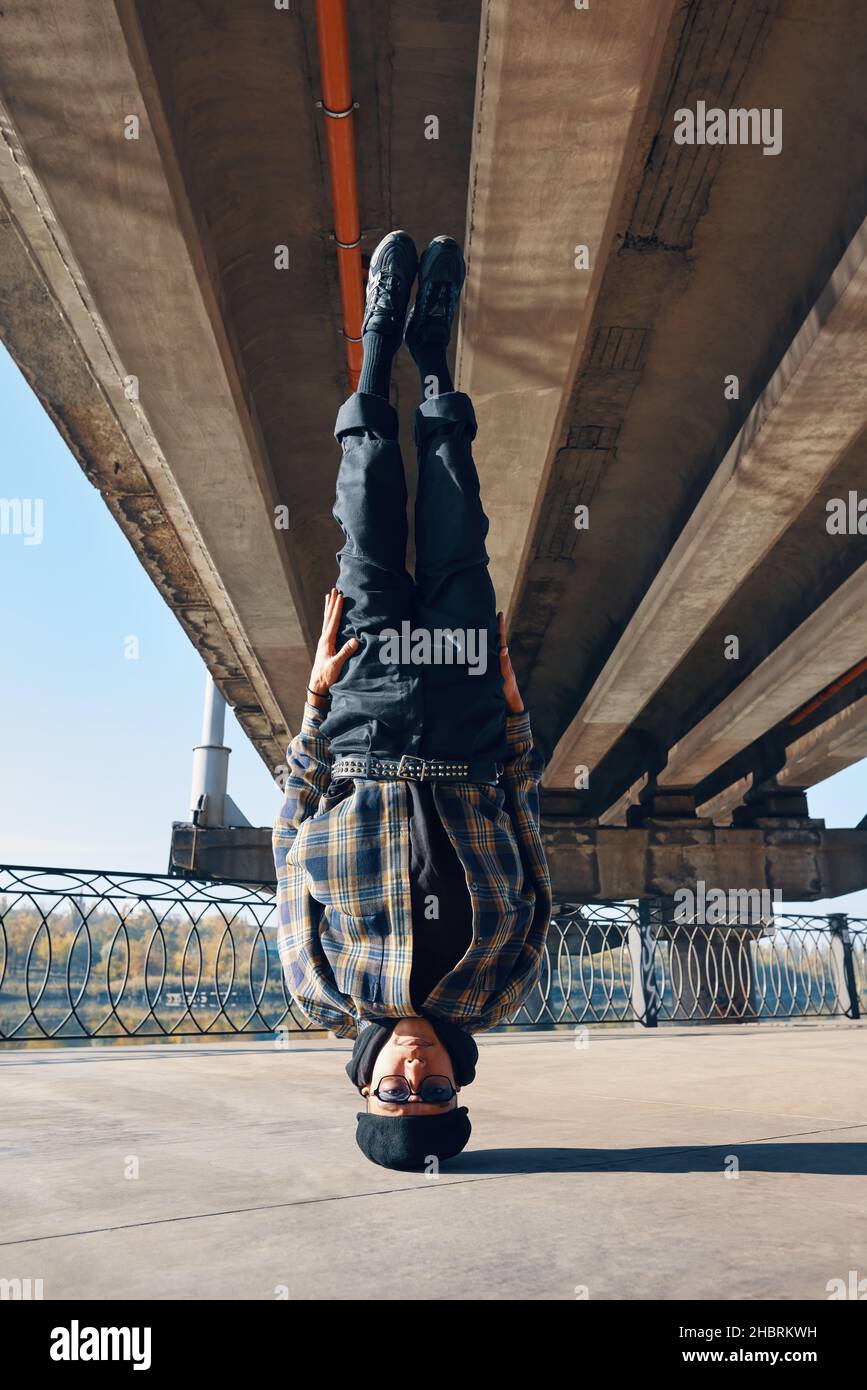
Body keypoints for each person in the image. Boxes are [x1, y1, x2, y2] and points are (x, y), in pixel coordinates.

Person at [273, 231, 552, 1172]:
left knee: (364, 515)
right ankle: (432, 359)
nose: (417, 1076)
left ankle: (378, 342)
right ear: (457, 1085)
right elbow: (524, 826)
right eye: (437, 1096)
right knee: (455, 522)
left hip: (364, 723)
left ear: (365, 1084)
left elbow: (291, 832)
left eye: (397, 1094)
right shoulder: (499, 989)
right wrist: (511, 713)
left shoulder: (319, 986)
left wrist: (314, 703)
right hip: (470, 722)